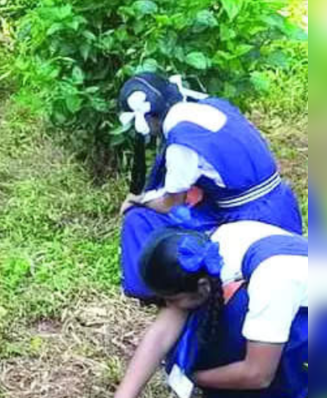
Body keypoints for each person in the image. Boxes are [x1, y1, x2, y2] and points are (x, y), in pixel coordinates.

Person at [76, 219, 308, 398]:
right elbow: (161, 335)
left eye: (172, 299)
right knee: (214, 320)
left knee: (237, 315)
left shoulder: (273, 284)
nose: (168, 306)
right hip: (290, 298)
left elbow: (257, 374)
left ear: (203, 287)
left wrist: (192, 376)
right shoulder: (208, 252)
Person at [117, 73, 302, 300]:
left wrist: (139, 199)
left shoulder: (181, 143)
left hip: (247, 216)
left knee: (140, 218)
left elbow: (169, 204)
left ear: (149, 120)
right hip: (279, 201)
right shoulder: (211, 106)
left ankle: (151, 289)